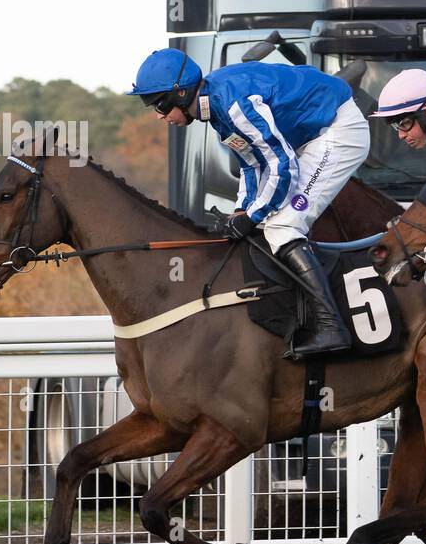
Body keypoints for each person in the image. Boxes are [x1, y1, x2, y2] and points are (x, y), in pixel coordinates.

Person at [128, 48, 370, 357]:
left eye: (160, 105)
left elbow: (283, 165)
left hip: (339, 131)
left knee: (282, 225)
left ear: (181, 92)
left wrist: (254, 215)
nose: (160, 116)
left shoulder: (234, 107)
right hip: (313, 135)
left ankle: (331, 327)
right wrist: (242, 209)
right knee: (264, 223)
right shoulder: (215, 108)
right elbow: (252, 165)